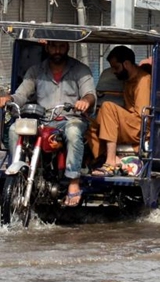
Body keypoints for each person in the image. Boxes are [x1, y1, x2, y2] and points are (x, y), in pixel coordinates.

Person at [0, 41, 95, 206]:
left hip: (70, 118)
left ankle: (73, 182)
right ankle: (20, 173)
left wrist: (85, 101)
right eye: (53, 46)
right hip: (43, 119)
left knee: (73, 131)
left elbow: (90, 94)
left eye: (61, 47)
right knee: (15, 128)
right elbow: (21, 94)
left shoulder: (80, 70)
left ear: (67, 47)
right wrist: (9, 99)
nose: (57, 50)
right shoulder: (36, 71)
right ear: (47, 48)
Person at [87, 46, 151, 176]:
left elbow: (142, 116)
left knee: (108, 107)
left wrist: (114, 115)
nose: (114, 72)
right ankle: (103, 158)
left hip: (140, 127)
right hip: (129, 125)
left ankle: (110, 162)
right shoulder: (127, 81)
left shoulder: (143, 80)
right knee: (89, 124)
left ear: (126, 64)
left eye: (116, 68)